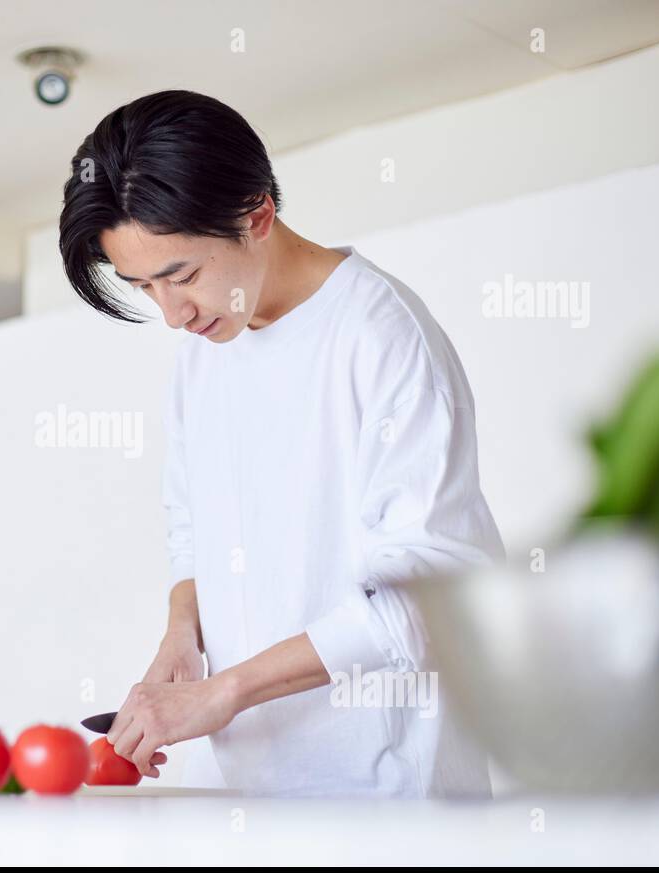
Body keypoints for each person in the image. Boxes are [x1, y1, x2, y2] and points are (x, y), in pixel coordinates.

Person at [58, 90, 506, 797]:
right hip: (257, 792)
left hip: (393, 798)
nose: (172, 314)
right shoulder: (205, 348)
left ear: (257, 214)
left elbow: (432, 592)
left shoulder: (380, 336)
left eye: (182, 275)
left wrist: (227, 690)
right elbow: (193, 521)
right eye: (143, 286)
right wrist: (185, 631)